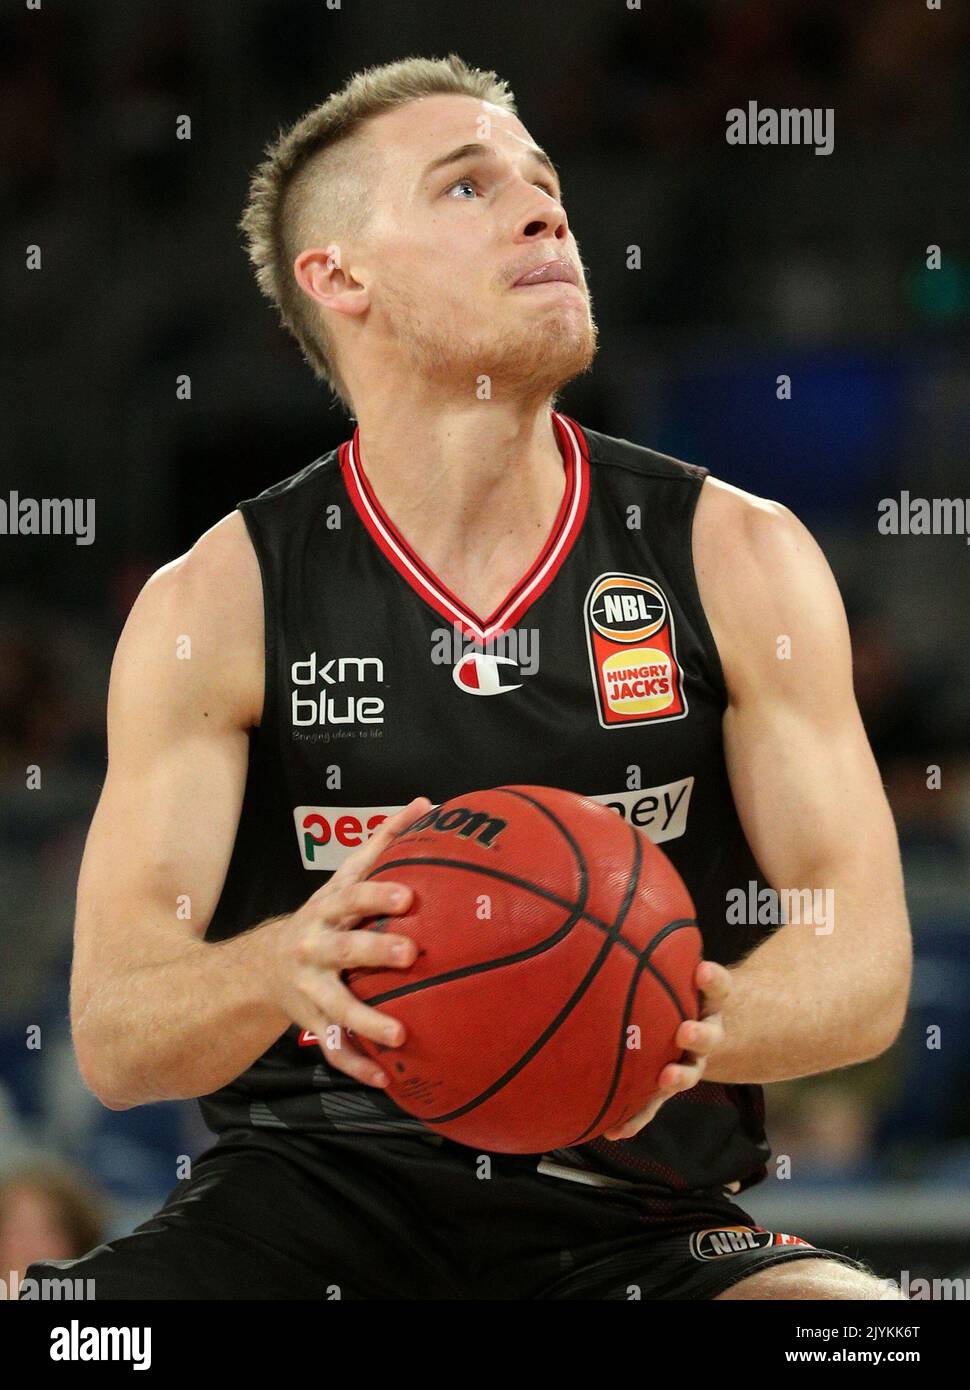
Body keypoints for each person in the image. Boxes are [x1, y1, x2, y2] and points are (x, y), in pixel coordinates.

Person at [26, 54, 911, 1300]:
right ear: (341, 278)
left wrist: (676, 1020)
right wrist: (280, 963)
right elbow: (120, 1034)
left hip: (637, 1218)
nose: (545, 208)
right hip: (310, 1208)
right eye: (466, 188)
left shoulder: (734, 549)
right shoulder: (217, 600)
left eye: (545, 182)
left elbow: (861, 957)